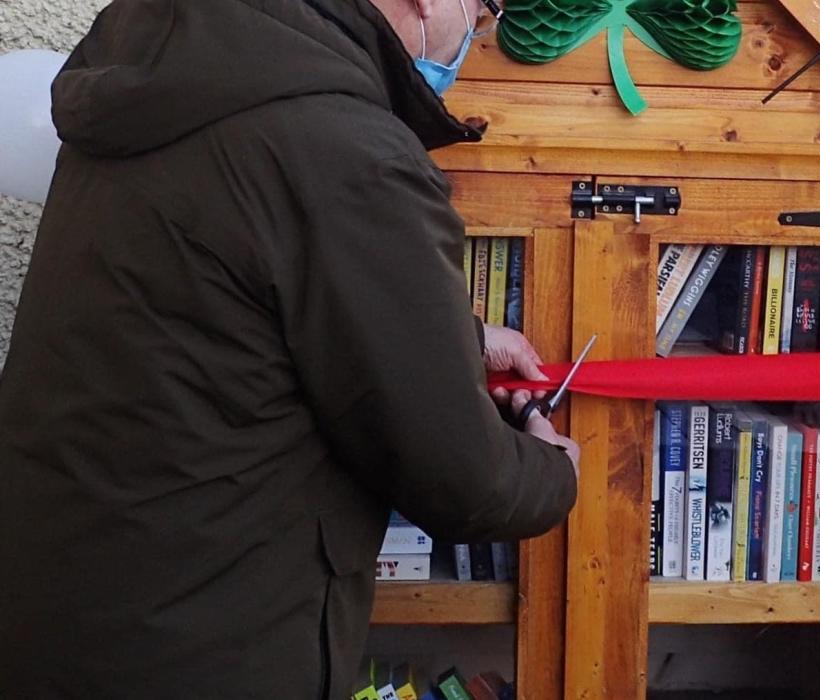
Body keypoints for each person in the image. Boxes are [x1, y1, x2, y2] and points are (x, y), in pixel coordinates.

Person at [0, 0, 580, 697]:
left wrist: (462, 337)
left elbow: (220, 297)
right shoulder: (344, 147)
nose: (478, 37)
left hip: (69, 612)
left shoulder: (166, 76)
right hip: (209, 647)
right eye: (484, 13)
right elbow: (465, 480)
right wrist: (552, 467)